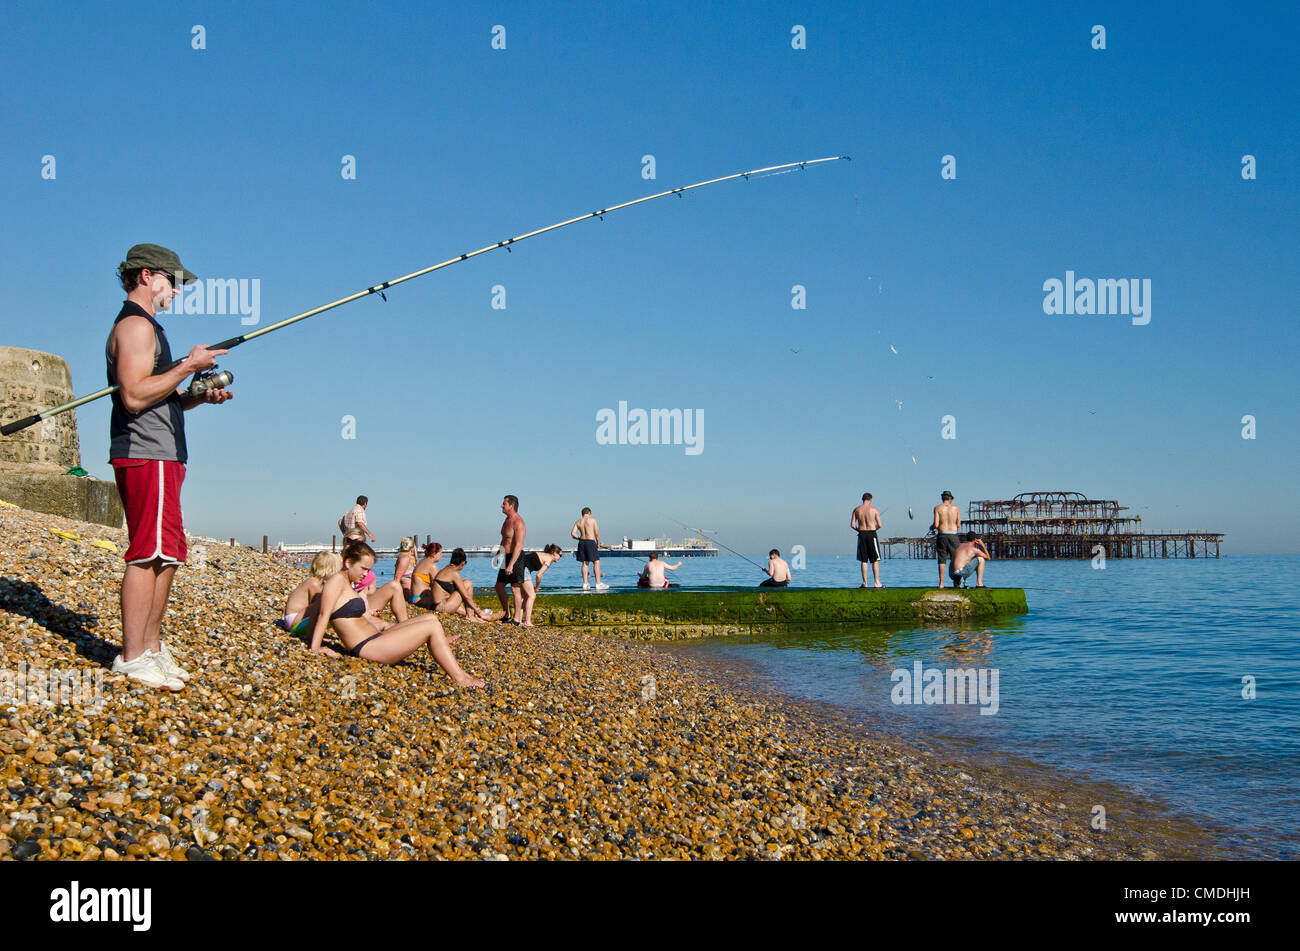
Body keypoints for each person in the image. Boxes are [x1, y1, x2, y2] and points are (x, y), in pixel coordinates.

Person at [106, 243, 233, 690]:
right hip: (146, 452)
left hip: (165, 453)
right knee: (147, 554)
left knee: (169, 554)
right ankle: (133, 655)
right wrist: (188, 366)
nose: (177, 290)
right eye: (172, 280)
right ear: (146, 275)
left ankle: (153, 647)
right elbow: (135, 396)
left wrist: (197, 392)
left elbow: (160, 398)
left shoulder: (151, 328)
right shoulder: (136, 325)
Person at [307, 542, 483, 687]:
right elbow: (322, 613)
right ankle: (459, 678)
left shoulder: (347, 583)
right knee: (431, 626)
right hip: (369, 647)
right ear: (348, 563)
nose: (366, 574)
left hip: (376, 638)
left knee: (431, 618)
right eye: (363, 569)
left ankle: (457, 671)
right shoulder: (336, 581)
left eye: (369, 570)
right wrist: (315, 647)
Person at [279, 551, 341, 635]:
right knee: (330, 610)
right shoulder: (314, 583)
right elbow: (315, 606)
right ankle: (314, 635)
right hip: (294, 622)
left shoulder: (315, 581)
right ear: (331, 569)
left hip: (295, 619)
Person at [431, 548, 497, 622]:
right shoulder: (454, 573)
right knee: (468, 583)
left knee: (463, 592)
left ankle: (475, 615)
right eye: (465, 563)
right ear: (462, 563)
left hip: (438, 606)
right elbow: (466, 596)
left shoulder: (445, 569)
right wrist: (479, 612)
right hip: (443, 607)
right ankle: (471, 616)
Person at [494, 495, 526, 621]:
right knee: (499, 586)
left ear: (511, 506)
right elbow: (504, 540)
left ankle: (517, 618)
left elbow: (519, 545)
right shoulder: (506, 521)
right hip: (505, 557)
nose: (501, 506)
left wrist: (511, 564)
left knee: (515, 588)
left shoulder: (519, 522)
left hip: (516, 557)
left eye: (504, 504)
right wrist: (498, 555)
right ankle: (506, 614)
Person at [518, 544, 563, 627]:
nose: (560, 557)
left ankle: (519, 621)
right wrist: (537, 587)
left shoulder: (543, 555)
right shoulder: (549, 559)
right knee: (532, 595)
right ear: (554, 553)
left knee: (523, 596)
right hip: (523, 569)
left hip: (518, 567)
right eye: (560, 555)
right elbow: (539, 575)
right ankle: (527, 621)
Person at [570, 507, 608, 590]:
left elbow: (572, 533)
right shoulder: (592, 520)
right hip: (590, 542)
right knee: (596, 562)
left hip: (582, 542)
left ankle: (585, 583)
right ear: (589, 513)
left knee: (585, 563)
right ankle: (598, 583)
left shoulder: (578, 522)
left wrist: (579, 538)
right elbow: (596, 533)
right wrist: (598, 543)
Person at [851, 492, 883, 588]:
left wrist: (859, 530)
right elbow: (880, 525)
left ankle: (865, 583)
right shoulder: (874, 510)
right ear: (870, 500)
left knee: (863, 560)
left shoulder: (856, 510)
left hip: (862, 534)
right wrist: (874, 528)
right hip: (871, 534)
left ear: (862, 499)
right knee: (875, 559)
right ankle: (877, 583)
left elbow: (852, 525)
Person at [932, 490, 962, 588]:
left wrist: (931, 527)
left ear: (942, 498)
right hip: (953, 534)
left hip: (942, 534)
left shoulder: (937, 508)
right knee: (956, 558)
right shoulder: (956, 508)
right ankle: (957, 582)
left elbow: (936, 524)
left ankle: (941, 583)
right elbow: (958, 524)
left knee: (942, 559)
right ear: (950, 498)